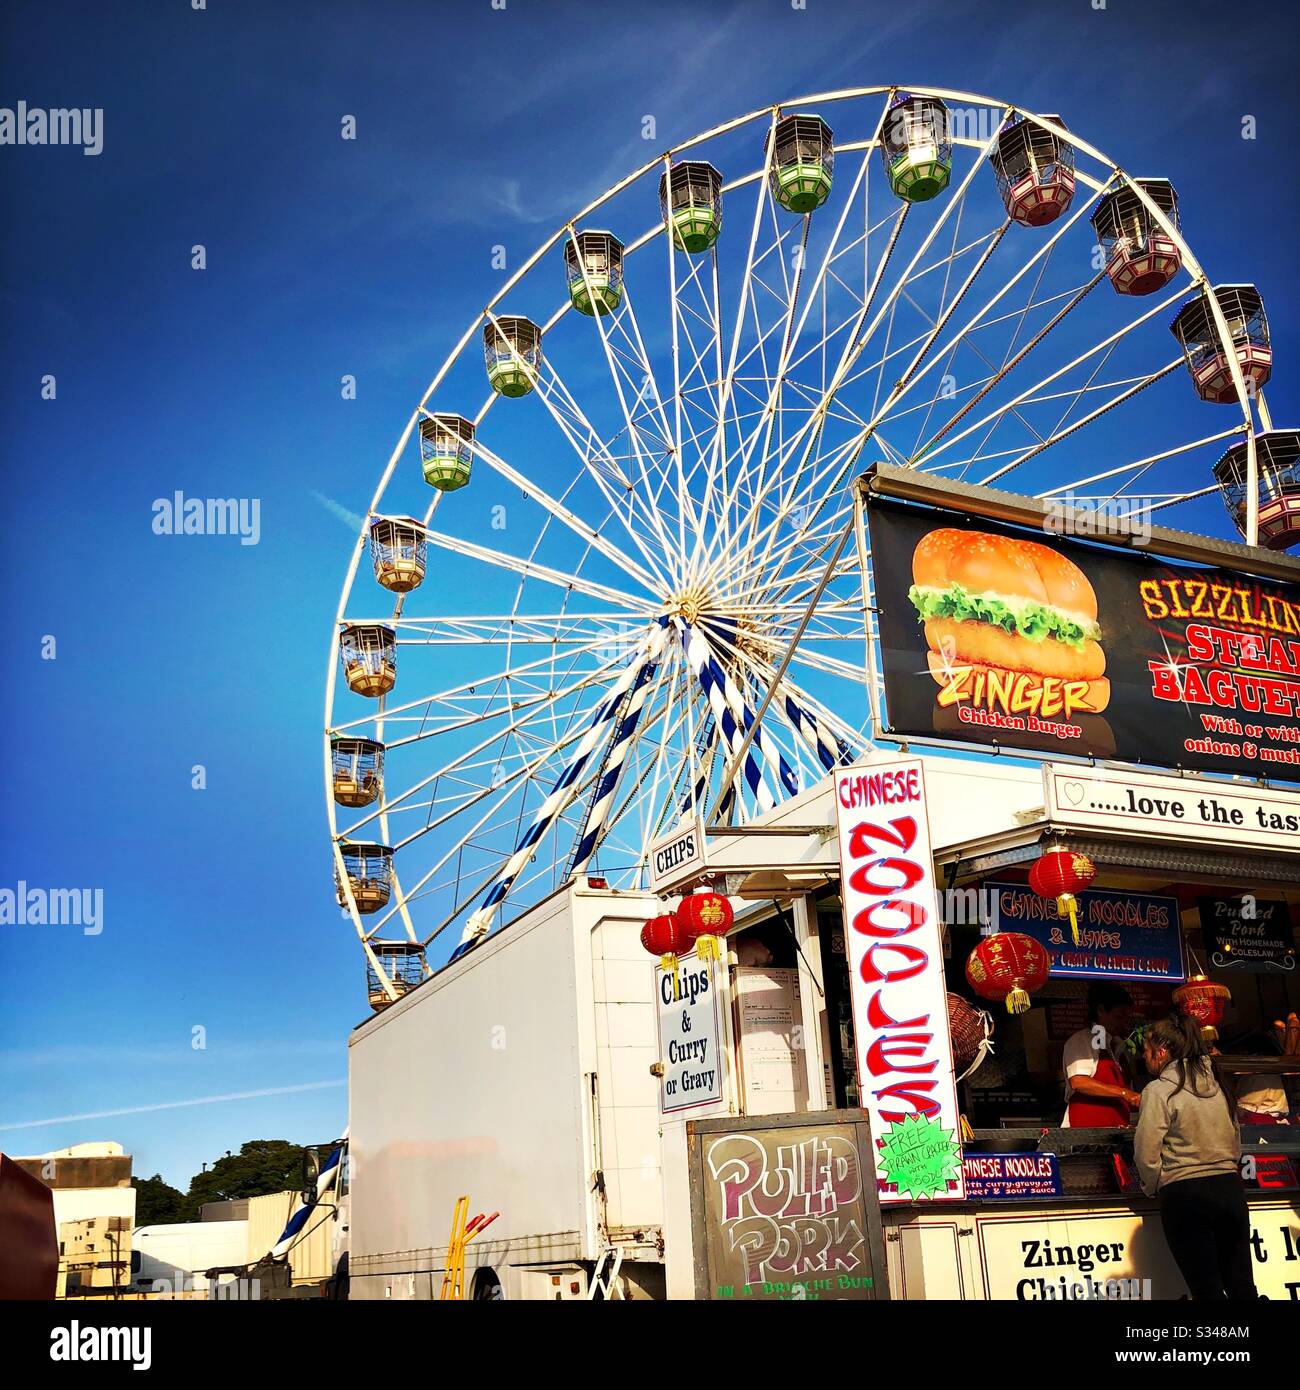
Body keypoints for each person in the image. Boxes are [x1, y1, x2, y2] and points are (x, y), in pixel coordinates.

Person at [1134, 1014, 1257, 1301]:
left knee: (1207, 1292)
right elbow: (1234, 1139)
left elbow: (1146, 1151)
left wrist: (1152, 1185)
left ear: (1161, 1051)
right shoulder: (1219, 1084)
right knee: (1243, 1288)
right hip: (1229, 1189)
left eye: (1146, 1050)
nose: (1143, 1056)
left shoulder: (1158, 1090)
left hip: (1185, 1194)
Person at [1061, 981, 1140, 1127]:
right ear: (1101, 1010)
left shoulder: (1118, 1046)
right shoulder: (1083, 1039)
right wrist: (1123, 1093)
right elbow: (1078, 1082)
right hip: (1087, 1132)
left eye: (1126, 1018)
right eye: (1118, 1017)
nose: (1123, 1023)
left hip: (1117, 1131)